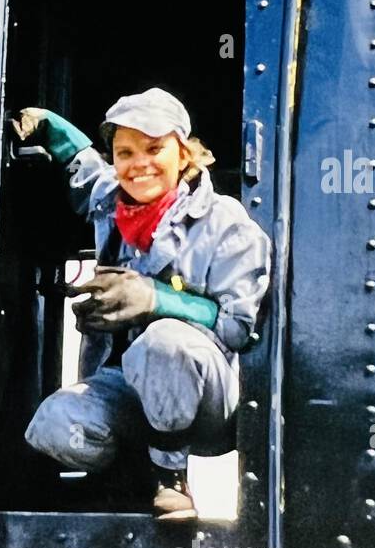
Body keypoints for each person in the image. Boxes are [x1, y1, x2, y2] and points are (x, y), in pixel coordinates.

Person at [16, 88, 271, 519]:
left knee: (163, 343)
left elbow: (238, 326)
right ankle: (131, 475)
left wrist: (156, 300)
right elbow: (83, 165)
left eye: (154, 149)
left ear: (184, 152)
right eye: (125, 152)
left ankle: (171, 478)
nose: (139, 164)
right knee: (55, 425)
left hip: (204, 398)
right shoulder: (113, 199)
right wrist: (45, 123)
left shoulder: (225, 222)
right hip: (128, 388)